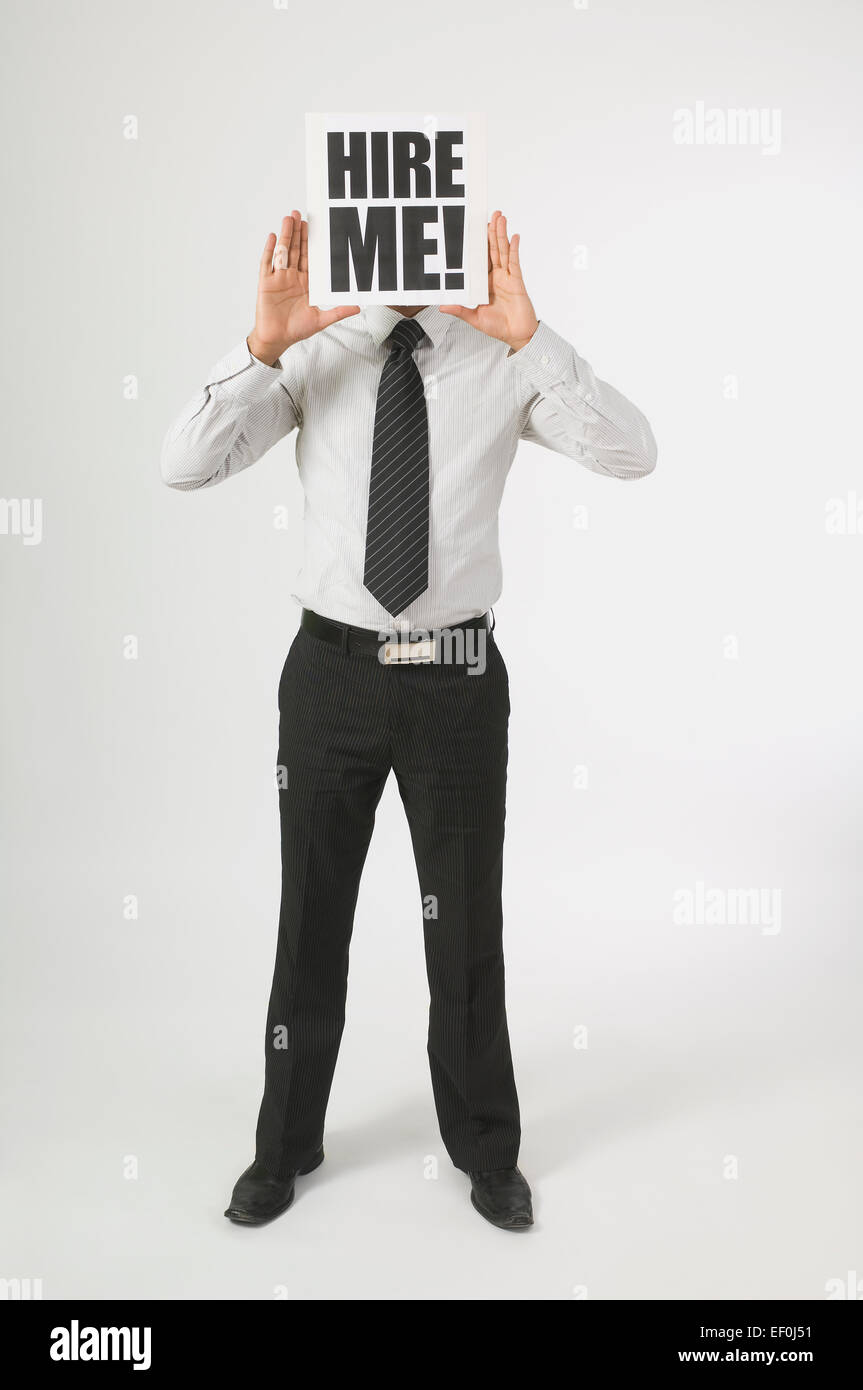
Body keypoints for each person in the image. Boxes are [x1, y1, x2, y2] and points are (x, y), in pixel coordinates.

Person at [161, 208, 657, 1231]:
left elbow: (630, 453)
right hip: (330, 674)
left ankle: (485, 1148)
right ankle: (284, 1145)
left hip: (457, 674)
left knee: (465, 925)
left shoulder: (499, 352)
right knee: (311, 921)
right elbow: (184, 463)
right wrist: (260, 347)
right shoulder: (311, 346)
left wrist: (532, 336)